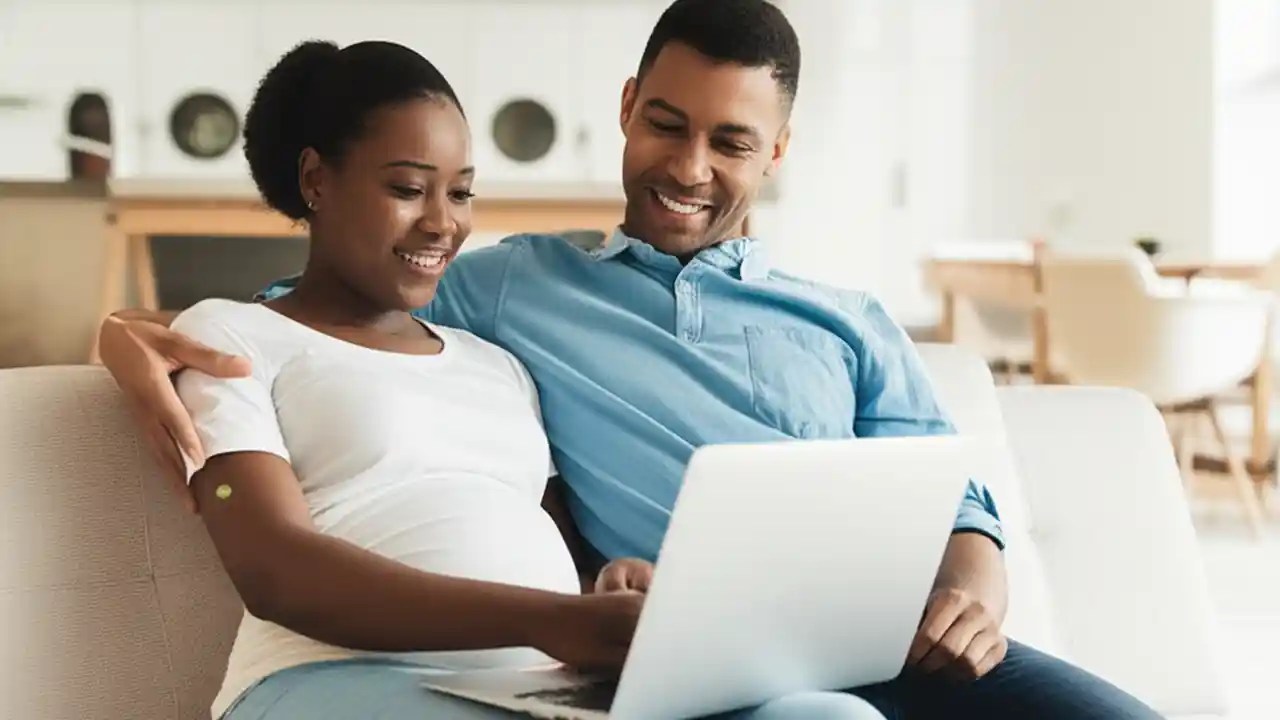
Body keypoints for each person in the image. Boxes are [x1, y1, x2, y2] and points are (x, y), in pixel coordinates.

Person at [98, 2, 1162, 719]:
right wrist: (122, 332)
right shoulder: (507, 292)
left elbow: (953, 494)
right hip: (691, 672)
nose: (689, 166)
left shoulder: (844, 320)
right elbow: (320, 313)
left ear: (776, 153)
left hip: (892, 641)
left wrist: (973, 592)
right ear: (624, 109)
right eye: (665, 123)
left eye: (732, 142)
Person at [123, 32, 884, 720]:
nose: (442, 222)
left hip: (529, 690)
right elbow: (273, 569)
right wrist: (546, 621)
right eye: (407, 187)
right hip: (328, 679)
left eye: (459, 192)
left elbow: (548, 555)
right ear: (317, 180)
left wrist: (602, 591)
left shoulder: (497, 365)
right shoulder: (231, 337)